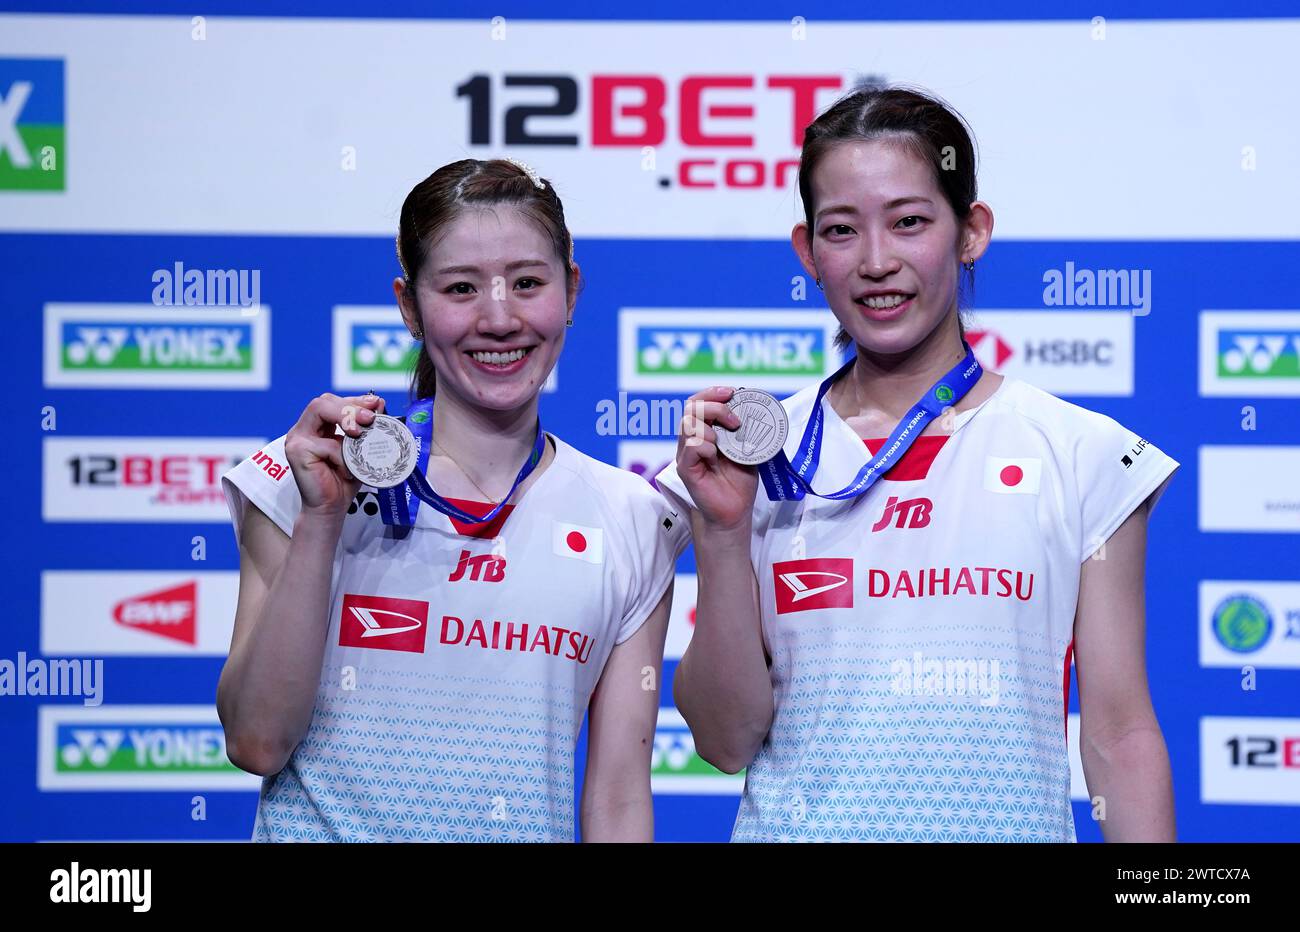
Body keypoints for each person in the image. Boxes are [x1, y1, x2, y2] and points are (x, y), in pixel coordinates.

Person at [655, 86, 1179, 842]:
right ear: (807, 252)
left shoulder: (1082, 454)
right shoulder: (755, 455)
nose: (877, 262)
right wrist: (723, 534)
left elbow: (1119, 736)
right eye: (842, 230)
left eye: (909, 222)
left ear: (972, 231)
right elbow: (723, 741)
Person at [217, 158, 688, 842]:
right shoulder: (303, 476)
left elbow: (617, 801)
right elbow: (256, 741)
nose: (499, 319)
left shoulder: (632, 517)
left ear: (571, 291)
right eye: (461, 287)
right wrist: (321, 521)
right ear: (409, 306)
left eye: (527, 283)